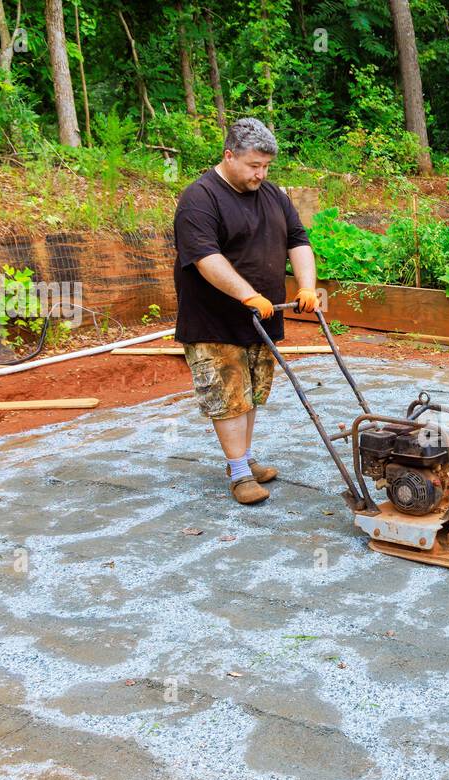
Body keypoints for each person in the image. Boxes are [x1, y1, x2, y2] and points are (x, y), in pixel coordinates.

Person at [172, 117, 318, 505]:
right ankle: (238, 474)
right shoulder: (199, 199)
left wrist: (305, 285)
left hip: (262, 318)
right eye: (254, 166)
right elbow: (206, 258)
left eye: (266, 166)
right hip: (213, 319)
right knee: (228, 394)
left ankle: (245, 459)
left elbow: (298, 241)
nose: (261, 174)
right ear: (229, 155)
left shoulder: (273, 196)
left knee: (251, 393)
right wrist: (247, 294)